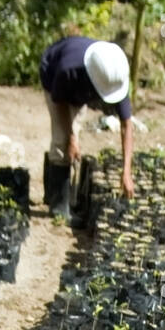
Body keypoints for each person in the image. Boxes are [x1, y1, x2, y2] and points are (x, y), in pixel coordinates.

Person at [39, 36, 135, 220]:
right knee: (62, 140)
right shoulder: (68, 69)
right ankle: (59, 208)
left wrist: (127, 172)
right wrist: (71, 138)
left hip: (78, 89)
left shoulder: (115, 76)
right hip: (53, 76)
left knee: (73, 134)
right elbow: (59, 102)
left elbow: (126, 125)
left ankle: (54, 194)